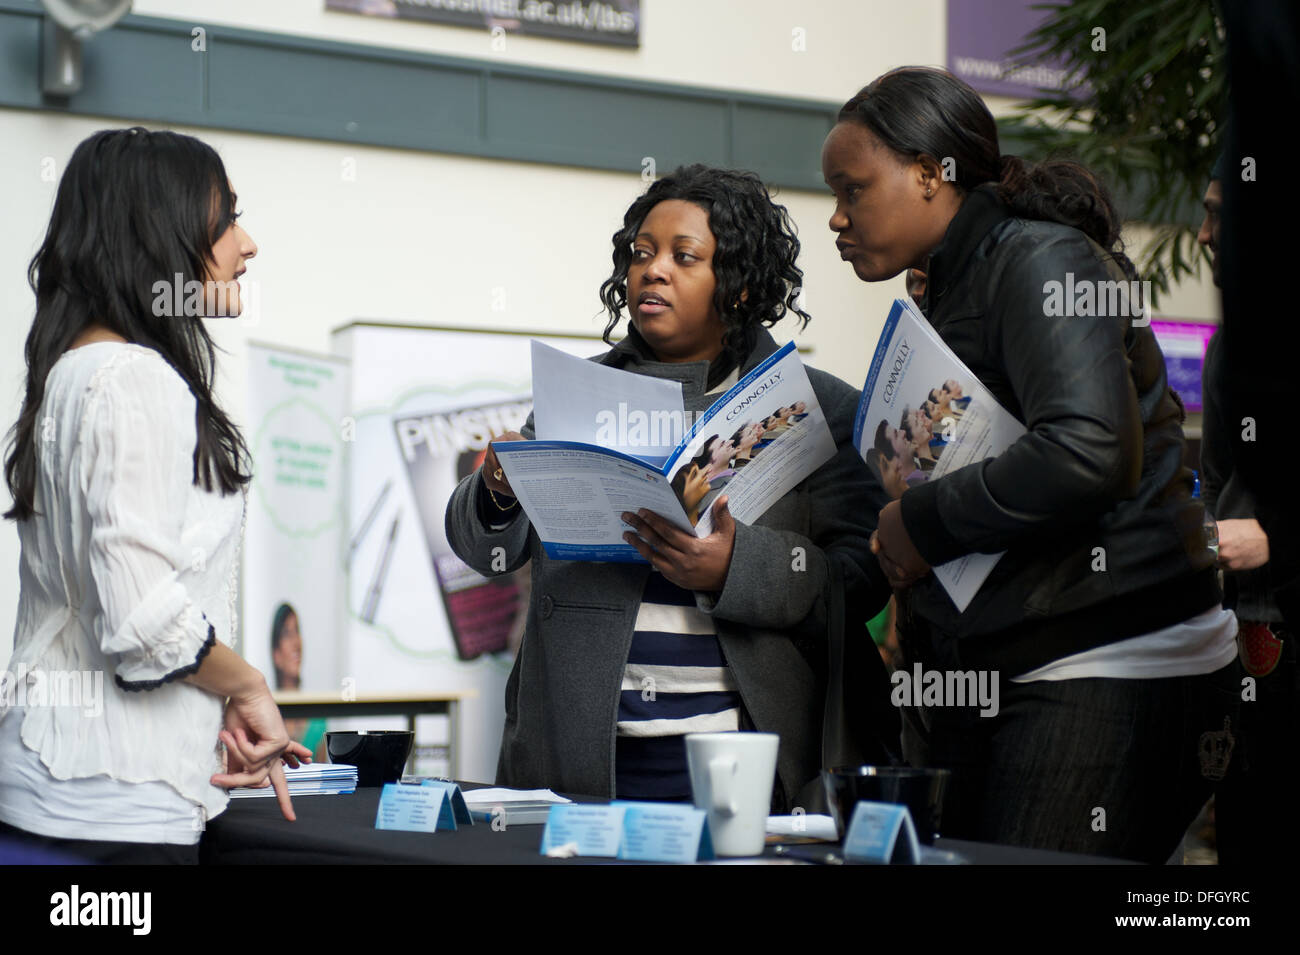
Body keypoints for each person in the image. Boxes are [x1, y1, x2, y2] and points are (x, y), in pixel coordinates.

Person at [823, 67, 1239, 863]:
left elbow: (1088, 452)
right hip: (1010, 667)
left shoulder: (1041, 259)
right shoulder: (957, 283)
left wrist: (921, 520)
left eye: (852, 188)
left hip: (1108, 662)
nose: (837, 218)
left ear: (929, 173)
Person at [445, 164, 891, 808]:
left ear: (738, 286)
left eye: (685, 257)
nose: (652, 270)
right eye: (642, 253)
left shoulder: (814, 407)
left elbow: (860, 581)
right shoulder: (576, 398)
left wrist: (735, 568)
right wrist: (495, 486)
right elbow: (482, 548)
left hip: (744, 759)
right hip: (582, 755)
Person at [0, 128, 308, 864]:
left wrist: (211, 695)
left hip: (63, 788)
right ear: (158, 234)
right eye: (228, 218)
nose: (248, 243)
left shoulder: (74, 372)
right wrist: (248, 683)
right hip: (111, 812)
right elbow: (140, 619)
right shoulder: (134, 379)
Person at [1195, 152, 1295, 864]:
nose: (1202, 235)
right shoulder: (1230, 346)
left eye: (1217, 216)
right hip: (1249, 640)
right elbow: (1218, 486)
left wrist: (1277, 538)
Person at [271, 602, 329, 762]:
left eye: (297, 631)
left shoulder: (318, 721)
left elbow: (323, 779)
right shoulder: (264, 715)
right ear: (276, 654)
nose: (296, 642)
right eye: (287, 634)